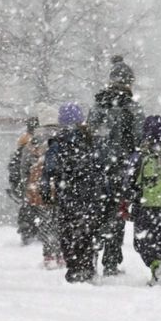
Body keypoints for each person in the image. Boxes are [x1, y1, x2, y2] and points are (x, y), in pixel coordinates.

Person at [87, 55, 144, 276]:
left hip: (97, 168)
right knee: (118, 213)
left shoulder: (97, 106)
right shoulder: (133, 109)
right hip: (122, 169)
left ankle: (91, 251)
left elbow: (90, 134)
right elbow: (140, 140)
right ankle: (111, 261)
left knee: (95, 212)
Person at [42, 103, 107, 283]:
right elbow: (102, 169)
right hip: (91, 197)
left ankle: (74, 268)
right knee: (88, 233)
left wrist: (46, 191)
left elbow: (48, 170)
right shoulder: (92, 141)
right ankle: (88, 267)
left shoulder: (58, 144)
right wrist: (105, 193)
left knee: (68, 234)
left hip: (68, 196)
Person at [124, 115, 161, 286]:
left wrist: (127, 200)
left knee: (141, 243)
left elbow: (128, 181)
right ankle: (160, 268)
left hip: (144, 206)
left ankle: (155, 266)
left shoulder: (139, 155)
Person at [14, 113, 65, 269]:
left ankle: (49, 255)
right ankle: (62, 253)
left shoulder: (32, 142)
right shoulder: (63, 139)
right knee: (61, 221)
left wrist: (25, 188)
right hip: (60, 187)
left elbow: (23, 169)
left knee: (45, 222)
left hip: (38, 188)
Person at [8, 117, 42, 246]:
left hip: (26, 183)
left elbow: (15, 168)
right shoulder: (37, 144)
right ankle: (34, 230)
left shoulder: (22, 144)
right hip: (35, 183)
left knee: (27, 207)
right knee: (37, 207)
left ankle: (27, 230)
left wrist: (16, 183)